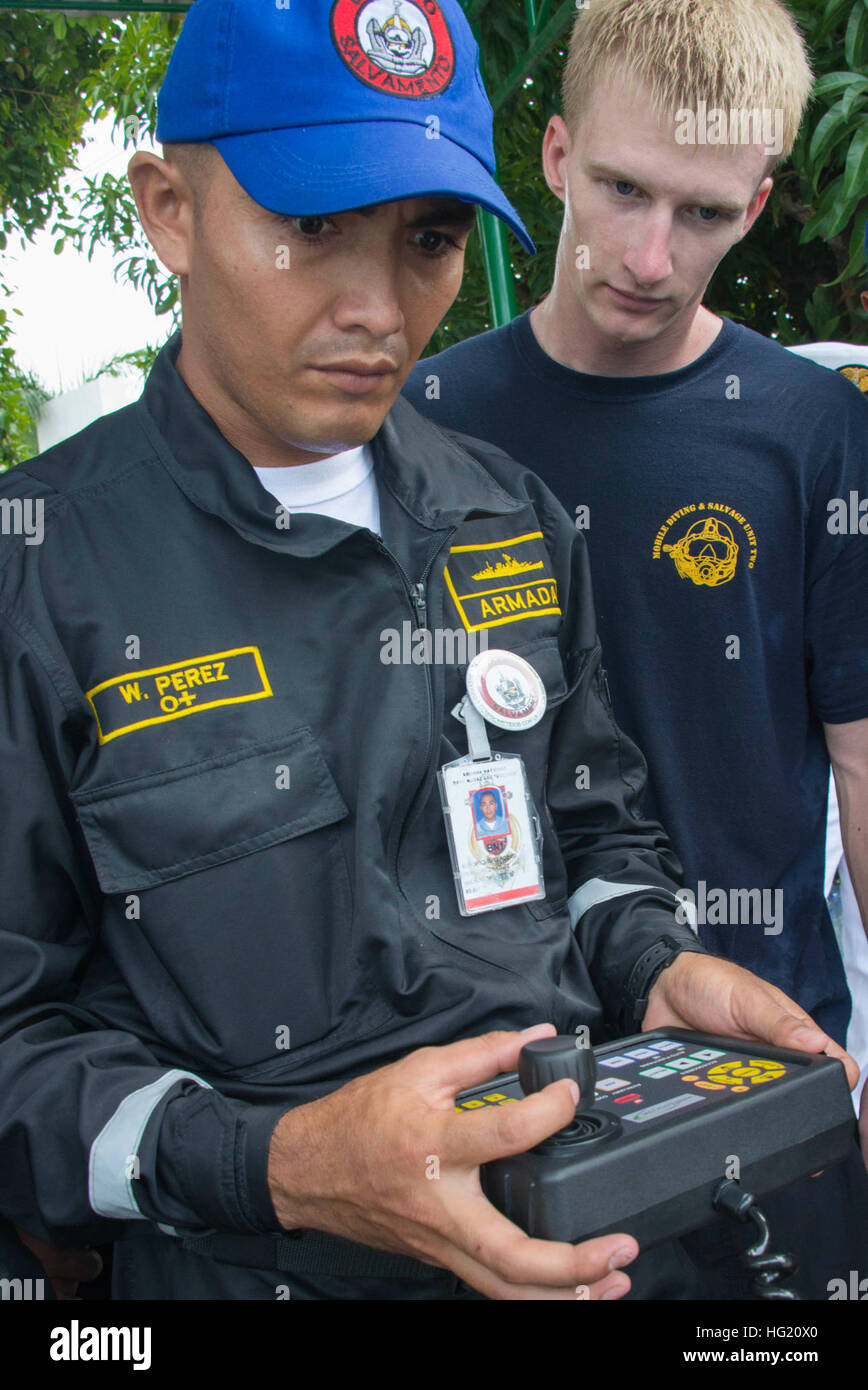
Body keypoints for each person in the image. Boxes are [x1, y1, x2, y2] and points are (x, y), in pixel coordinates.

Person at [0, 0, 857, 1303]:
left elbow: (594, 841)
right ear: (169, 208)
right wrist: (277, 1162)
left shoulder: (508, 512)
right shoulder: (39, 569)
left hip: (602, 1240)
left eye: (429, 240)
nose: (373, 305)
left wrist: (653, 961)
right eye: (309, 228)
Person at [403, 0, 868, 1290]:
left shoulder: (812, 427)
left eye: (704, 214)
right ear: (553, 156)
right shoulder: (422, 426)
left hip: (765, 1051)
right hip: (508, 1075)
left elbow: (861, 751)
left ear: (759, 207)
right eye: (620, 189)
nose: (651, 256)